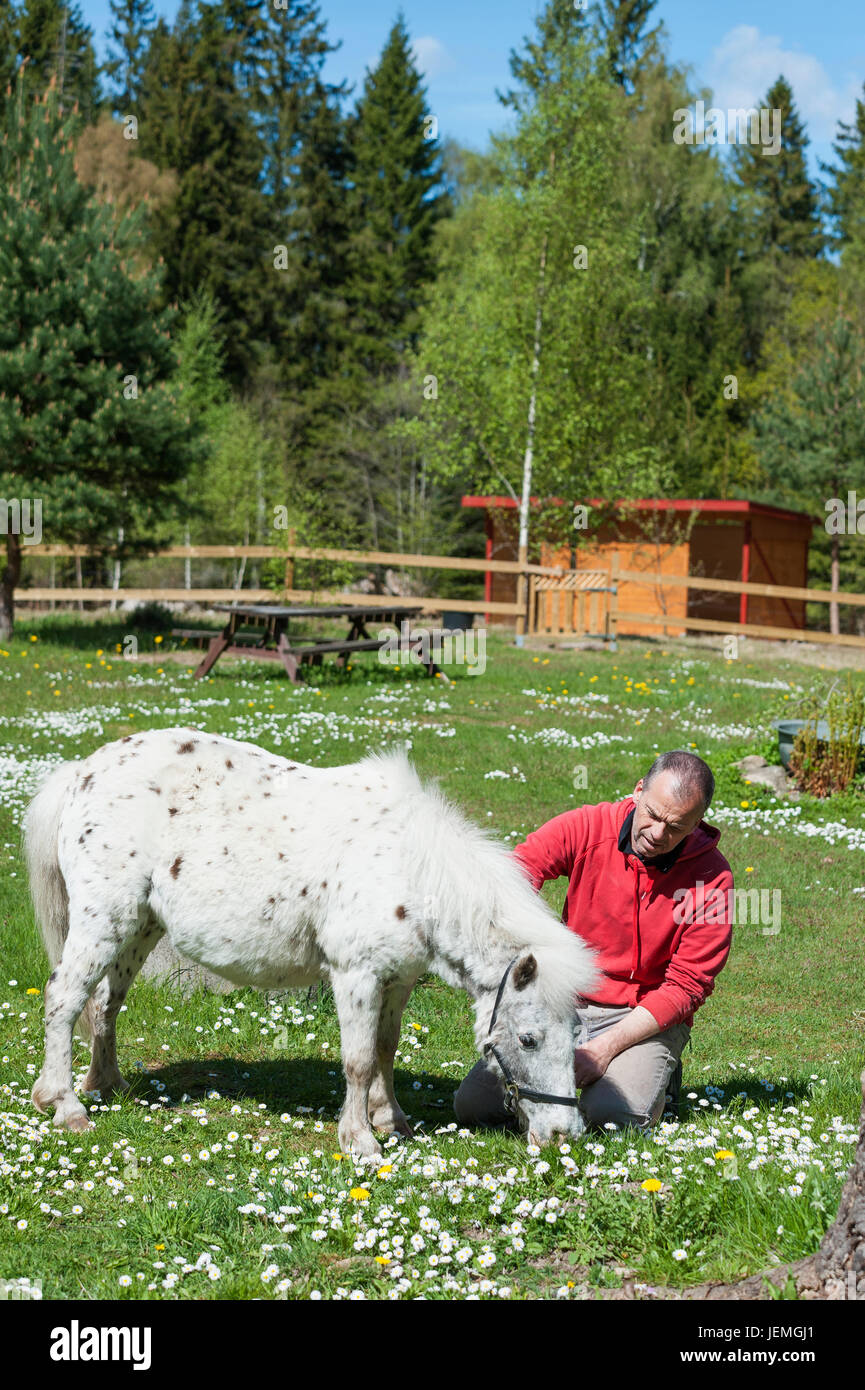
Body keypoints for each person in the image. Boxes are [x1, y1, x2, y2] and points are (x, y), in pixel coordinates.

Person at [454, 749, 734, 1134]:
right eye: (652, 815)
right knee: (474, 1108)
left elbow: (688, 985)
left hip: (643, 1018)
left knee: (611, 1119)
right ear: (638, 791)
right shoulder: (588, 826)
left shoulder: (712, 877)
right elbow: (515, 876)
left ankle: (655, 1073)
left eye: (675, 828)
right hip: (566, 1001)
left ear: (697, 823)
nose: (657, 835)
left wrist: (602, 1050)